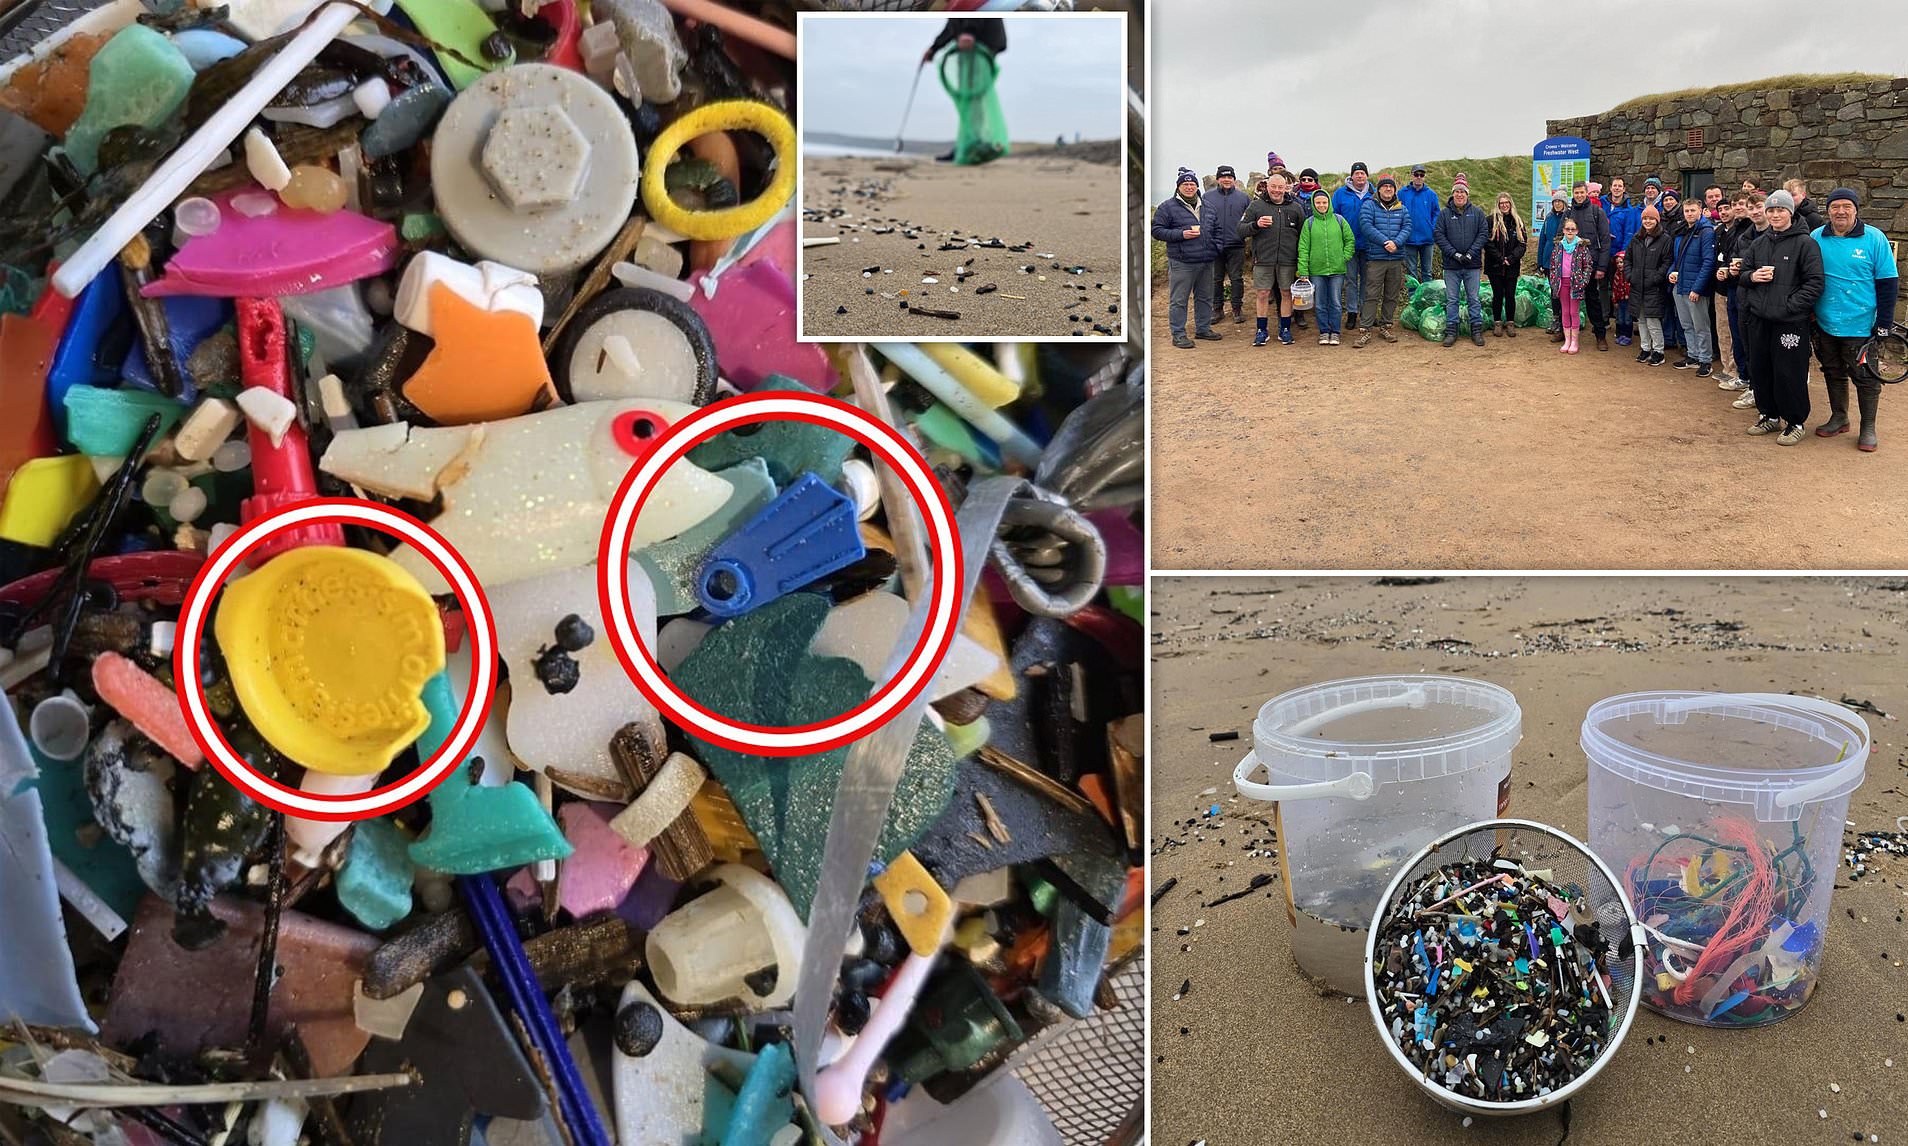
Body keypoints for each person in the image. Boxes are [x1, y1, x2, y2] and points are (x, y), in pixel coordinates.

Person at [1809, 188, 1900, 450]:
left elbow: (1888, 283)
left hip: (1861, 324)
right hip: (1825, 321)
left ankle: (1868, 427)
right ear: (1827, 210)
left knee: (1866, 377)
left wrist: (1883, 323)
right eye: (1835, 206)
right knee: (1832, 371)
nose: (1840, 211)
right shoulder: (1817, 237)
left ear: (1856, 210)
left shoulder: (1874, 238)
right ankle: (1839, 418)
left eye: (1846, 206)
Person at [1736, 189, 1825, 445]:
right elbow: (1743, 274)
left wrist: (1788, 306)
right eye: (1771, 210)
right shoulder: (1758, 243)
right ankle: (1769, 415)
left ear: (1790, 212)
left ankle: (1795, 421)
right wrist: (1753, 277)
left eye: (1780, 210)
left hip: (1790, 322)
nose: (1775, 214)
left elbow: (1815, 283)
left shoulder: (1805, 243)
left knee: (1789, 372)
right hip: (1760, 318)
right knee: (1761, 368)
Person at [922, 19, 1007, 163]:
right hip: (974, 40)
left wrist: (969, 31)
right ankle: (969, 143)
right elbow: (953, 24)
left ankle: (973, 144)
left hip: (977, 43)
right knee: (970, 99)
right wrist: (934, 48)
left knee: (973, 97)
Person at [1153, 168, 1219, 348]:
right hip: (1182, 262)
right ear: (1178, 187)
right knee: (1179, 300)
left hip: (1206, 260)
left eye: (1192, 184)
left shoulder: (1207, 206)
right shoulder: (1167, 207)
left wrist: (1216, 248)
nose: (1189, 187)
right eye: (1185, 184)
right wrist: (1181, 234)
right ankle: (1179, 334)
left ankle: (1203, 329)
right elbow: (1157, 231)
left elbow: (1217, 230)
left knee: (1205, 297)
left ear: (1197, 187)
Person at [1717, 193, 1772, 410]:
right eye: (1751, 207)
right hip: (1741, 292)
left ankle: (1759, 390)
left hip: (1766, 298)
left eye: (1759, 207)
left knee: (1760, 346)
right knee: (1742, 339)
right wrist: (1732, 271)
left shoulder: (1776, 235)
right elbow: (1739, 264)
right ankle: (1747, 379)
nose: (1755, 211)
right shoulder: (1744, 236)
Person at [1239, 171, 1306, 346]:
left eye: (1280, 187)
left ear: (1286, 188)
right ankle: (1261, 330)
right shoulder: (1256, 206)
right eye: (1273, 187)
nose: (1277, 190)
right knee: (1262, 293)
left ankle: (1285, 329)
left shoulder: (1295, 208)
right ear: (1267, 187)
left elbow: (1303, 235)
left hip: (1288, 259)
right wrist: (1256, 225)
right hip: (1263, 259)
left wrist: (1301, 259)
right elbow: (1240, 229)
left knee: (1286, 293)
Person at [1353, 175, 1411, 348]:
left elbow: (1407, 227)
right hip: (1376, 257)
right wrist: (1386, 242)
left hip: (1395, 258)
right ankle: (1365, 329)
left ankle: (1386, 326)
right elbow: (1366, 226)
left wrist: (1397, 243)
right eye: (1384, 186)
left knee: (1392, 294)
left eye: (1391, 187)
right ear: (1378, 189)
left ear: (1394, 190)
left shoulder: (1402, 208)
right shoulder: (1369, 206)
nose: (1388, 189)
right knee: (1371, 295)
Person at [1711, 192, 1758, 393]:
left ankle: (1746, 378)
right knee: (1734, 334)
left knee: (1746, 337)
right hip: (1730, 286)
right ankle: (1740, 374)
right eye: (1734, 204)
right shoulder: (1732, 230)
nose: (1737, 208)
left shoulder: (1752, 230)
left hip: (1748, 290)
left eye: (1741, 204)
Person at [1297, 187, 1355, 346]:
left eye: (1324, 202)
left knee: (1335, 302)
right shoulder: (1308, 224)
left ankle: (1335, 332)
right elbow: (1303, 248)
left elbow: (1350, 240)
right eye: (1318, 203)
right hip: (1316, 270)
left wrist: (1345, 257)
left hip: (1337, 270)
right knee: (1321, 303)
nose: (1321, 205)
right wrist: (1303, 270)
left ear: (1329, 203)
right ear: (1313, 204)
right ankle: (1324, 332)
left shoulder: (1339, 220)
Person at [1434, 176, 1488, 347]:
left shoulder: (1477, 212)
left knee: (1473, 298)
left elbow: (1483, 234)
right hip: (1452, 265)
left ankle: (1476, 330)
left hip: (1472, 265)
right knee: (1452, 299)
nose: (1459, 194)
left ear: (1467, 194)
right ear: (1453, 194)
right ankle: (1451, 331)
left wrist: (1471, 253)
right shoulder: (1444, 214)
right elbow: (1439, 235)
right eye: (1457, 191)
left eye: (1462, 192)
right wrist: (1454, 254)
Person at [1668, 197, 1717, 377]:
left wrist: (1697, 288)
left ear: (1700, 210)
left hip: (1695, 288)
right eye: (1687, 211)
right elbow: (1677, 259)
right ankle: (1693, 355)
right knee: (1687, 325)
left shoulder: (1706, 232)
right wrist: (1670, 273)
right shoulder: (1682, 231)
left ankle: (1705, 360)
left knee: (1701, 326)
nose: (1689, 214)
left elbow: (1709, 262)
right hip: (1679, 285)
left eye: (1692, 211)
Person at [1563, 180, 1612, 350]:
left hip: (1591, 265)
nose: (1579, 195)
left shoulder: (1597, 212)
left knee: (1593, 300)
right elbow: (1559, 239)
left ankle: (1600, 335)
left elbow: (1605, 241)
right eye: (1576, 193)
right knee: (1568, 300)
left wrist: (1602, 267)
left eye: (1582, 192)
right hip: (1570, 266)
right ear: (1573, 194)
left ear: (1586, 193)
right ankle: (1566, 334)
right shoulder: (1568, 214)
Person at [1625, 205, 1673, 365]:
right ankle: (1645, 348)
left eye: (1651, 218)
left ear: (1657, 220)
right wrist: (1630, 275)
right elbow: (1628, 259)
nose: (1648, 221)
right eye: (1645, 218)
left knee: (1653, 320)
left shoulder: (1665, 239)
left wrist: (1656, 278)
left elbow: (1667, 262)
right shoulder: (1636, 239)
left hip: (1654, 287)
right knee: (1641, 320)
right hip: (1637, 285)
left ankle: (1658, 351)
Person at [1206, 165, 1251, 326]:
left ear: (1233, 179)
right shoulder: (1207, 197)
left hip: (1236, 244)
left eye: (1229, 177)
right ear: (1218, 179)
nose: (1226, 180)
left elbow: (1250, 220)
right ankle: (1217, 309)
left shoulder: (1244, 198)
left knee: (1236, 278)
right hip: (1214, 245)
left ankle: (1237, 309)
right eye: (1223, 177)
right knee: (1215, 279)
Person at [1333, 162, 1375, 330]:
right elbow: (1334, 217)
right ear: (1352, 176)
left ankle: (1366, 312)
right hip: (1348, 244)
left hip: (1370, 244)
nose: (1360, 176)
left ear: (1367, 175)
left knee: (1367, 280)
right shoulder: (1340, 193)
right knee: (1350, 280)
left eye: (1362, 173)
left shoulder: (1373, 193)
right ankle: (1352, 312)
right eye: (1357, 173)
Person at [1483, 192, 1528, 338]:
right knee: (1497, 294)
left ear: (1510, 204)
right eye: (1501, 203)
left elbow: (1522, 244)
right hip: (1495, 265)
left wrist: (1511, 258)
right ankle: (1497, 322)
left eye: (1506, 203)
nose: (1504, 205)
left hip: (1512, 265)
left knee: (1510, 295)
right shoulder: (1490, 221)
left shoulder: (1517, 222)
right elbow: (1487, 242)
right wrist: (1500, 258)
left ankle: (1510, 322)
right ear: (1498, 205)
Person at [1605, 177, 1642, 344]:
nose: (1617, 188)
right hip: (1603, 252)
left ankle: (1625, 328)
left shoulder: (1630, 209)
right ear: (1610, 188)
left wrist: (1623, 254)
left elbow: (1629, 232)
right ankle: (1607, 321)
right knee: (1604, 288)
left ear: (1624, 188)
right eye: (1615, 186)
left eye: (1620, 186)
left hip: (1618, 254)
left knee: (1622, 287)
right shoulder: (1602, 203)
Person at [1549, 216, 1593, 353]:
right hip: (1562, 283)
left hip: (1576, 284)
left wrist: (1583, 281)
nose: (1569, 231)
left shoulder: (1581, 247)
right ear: (1563, 230)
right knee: (1565, 312)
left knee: (1574, 312)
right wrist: (1553, 280)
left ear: (1577, 231)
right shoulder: (1558, 246)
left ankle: (1575, 341)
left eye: (1572, 229)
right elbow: (1552, 265)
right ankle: (1567, 340)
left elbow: (1588, 265)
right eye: (1567, 229)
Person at [1399, 165, 1441, 284]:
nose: (1418, 177)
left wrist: (1432, 229)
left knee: (1427, 272)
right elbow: (1397, 212)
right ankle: (1413, 299)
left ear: (1424, 177)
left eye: (1421, 175)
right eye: (1416, 174)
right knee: (1411, 273)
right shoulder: (1402, 193)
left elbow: (1436, 214)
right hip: (1408, 239)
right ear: (1411, 175)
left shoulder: (1431, 194)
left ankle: (1427, 299)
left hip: (1427, 239)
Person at [1536, 188, 1568, 335]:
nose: (1557, 204)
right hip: (1549, 259)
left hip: (1564, 259)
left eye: (1560, 201)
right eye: (1555, 201)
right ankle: (1556, 318)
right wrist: (1540, 261)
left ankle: (1565, 319)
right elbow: (1542, 240)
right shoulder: (1548, 218)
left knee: (1564, 291)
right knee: (1554, 291)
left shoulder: (1568, 218)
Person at [1658, 188, 1686, 354]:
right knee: (1666, 305)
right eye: (1665, 200)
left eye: (1671, 200)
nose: (1668, 203)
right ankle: (1668, 338)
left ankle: (1683, 342)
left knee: (1679, 308)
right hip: (1662, 263)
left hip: (1677, 264)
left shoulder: (1682, 218)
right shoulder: (1660, 219)